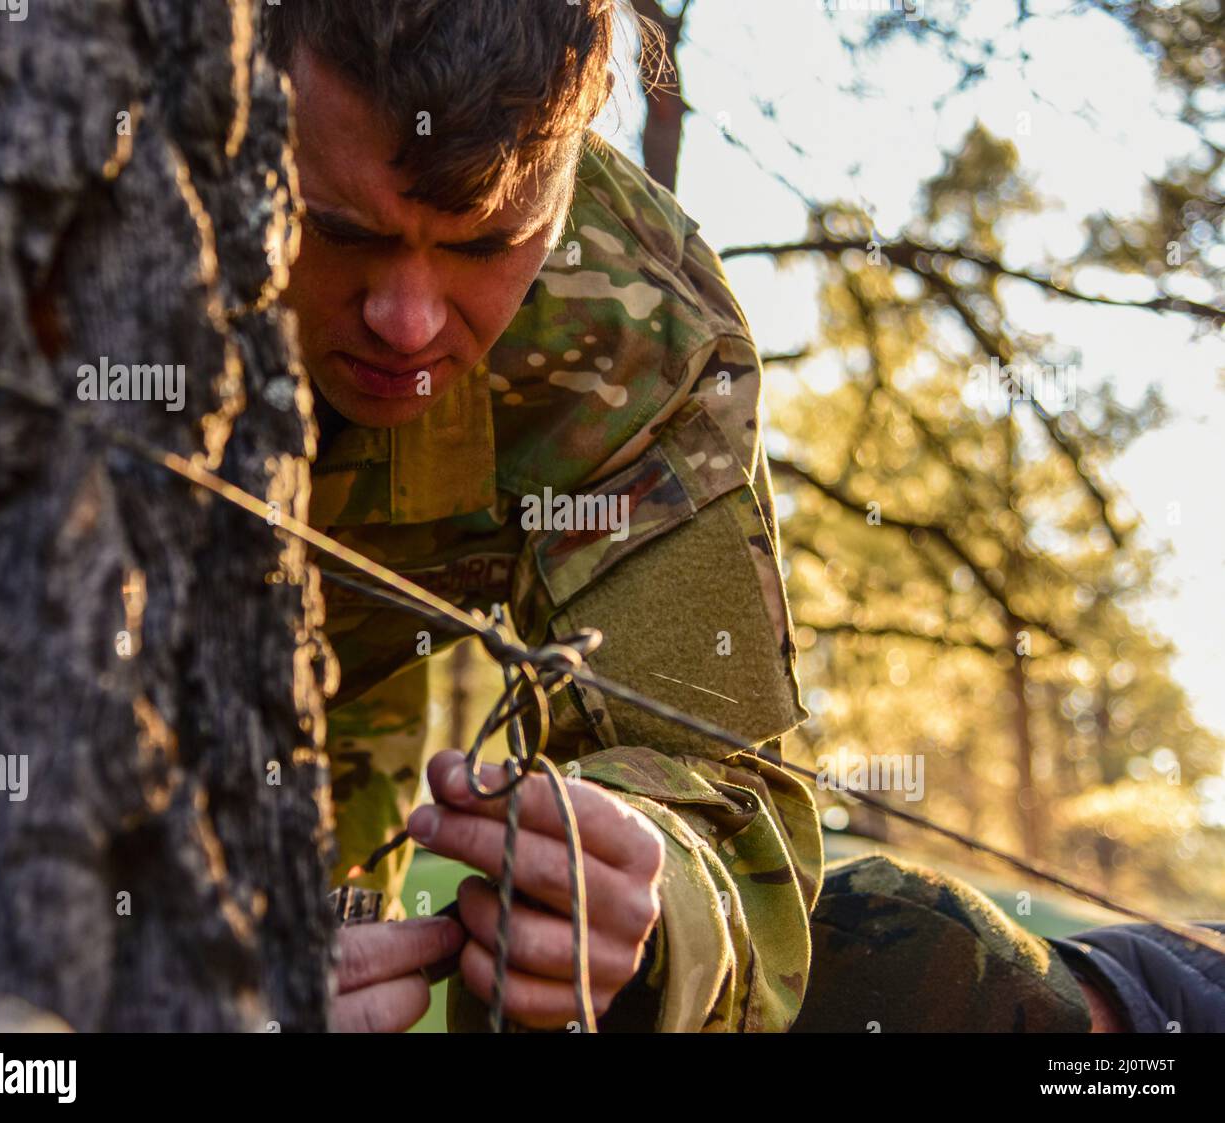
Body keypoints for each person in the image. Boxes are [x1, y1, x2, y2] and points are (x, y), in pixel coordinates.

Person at [263, 1, 1114, 1034]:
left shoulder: (636, 328)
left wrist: (647, 903)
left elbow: (721, 789)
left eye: (489, 245)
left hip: (323, 696)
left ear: (571, 164)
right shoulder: (61, 193)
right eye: (341, 231)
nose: (408, 321)